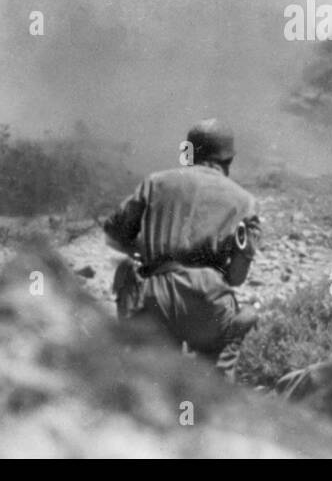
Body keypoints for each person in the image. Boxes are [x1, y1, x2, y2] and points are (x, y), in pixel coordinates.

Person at [105, 119, 261, 378]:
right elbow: (236, 277)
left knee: (149, 381)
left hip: (155, 296)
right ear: (229, 160)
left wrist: (143, 250)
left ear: (189, 152)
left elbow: (115, 233)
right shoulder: (245, 201)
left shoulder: (154, 183)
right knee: (220, 364)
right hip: (208, 300)